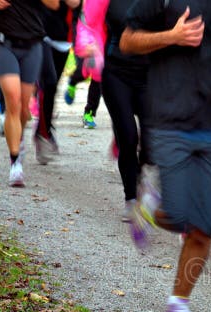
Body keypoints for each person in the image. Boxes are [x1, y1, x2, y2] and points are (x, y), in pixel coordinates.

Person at [121, 0, 211, 312]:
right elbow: (127, 41)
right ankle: (151, 205)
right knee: (182, 214)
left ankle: (178, 303)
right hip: (170, 117)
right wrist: (172, 35)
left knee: (207, 224)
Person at [77, 0, 149, 220]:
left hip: (152, 75)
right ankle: (131, 198)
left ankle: (142, 179)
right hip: (115, 72)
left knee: (152, 139)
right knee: (127, 136)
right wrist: (89, 45)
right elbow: (87, 24)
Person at [0, 0, 58, 187]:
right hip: (5, 42)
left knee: (23, 110)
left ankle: (18, 141)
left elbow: (54, 5)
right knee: (13, 99)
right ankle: (15, 162)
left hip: (32, 44)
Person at [34, 0, 80, 165]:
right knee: (49, 83)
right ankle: (43, 134)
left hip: (64, 38)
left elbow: (76, 3)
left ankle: (44, 127)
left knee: (52, 89)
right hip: (41, 33)